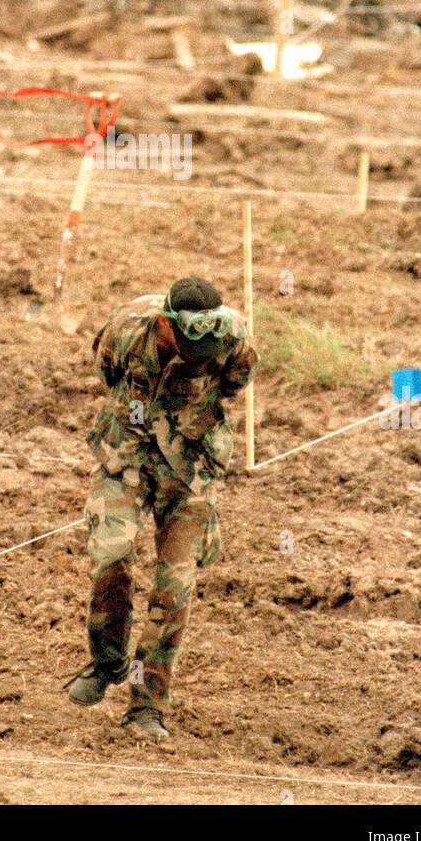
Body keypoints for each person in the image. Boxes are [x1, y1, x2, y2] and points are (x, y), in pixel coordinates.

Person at [67, 276, 259, 741]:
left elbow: (236, 382)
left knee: (175, 584)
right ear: (164, 323)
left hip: (190, 466)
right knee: (110, 555)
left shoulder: (233, 337)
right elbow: (107, 371)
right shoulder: (128, 327)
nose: (202, 350)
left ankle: (147, 703)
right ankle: (107, 663)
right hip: (125, 456)